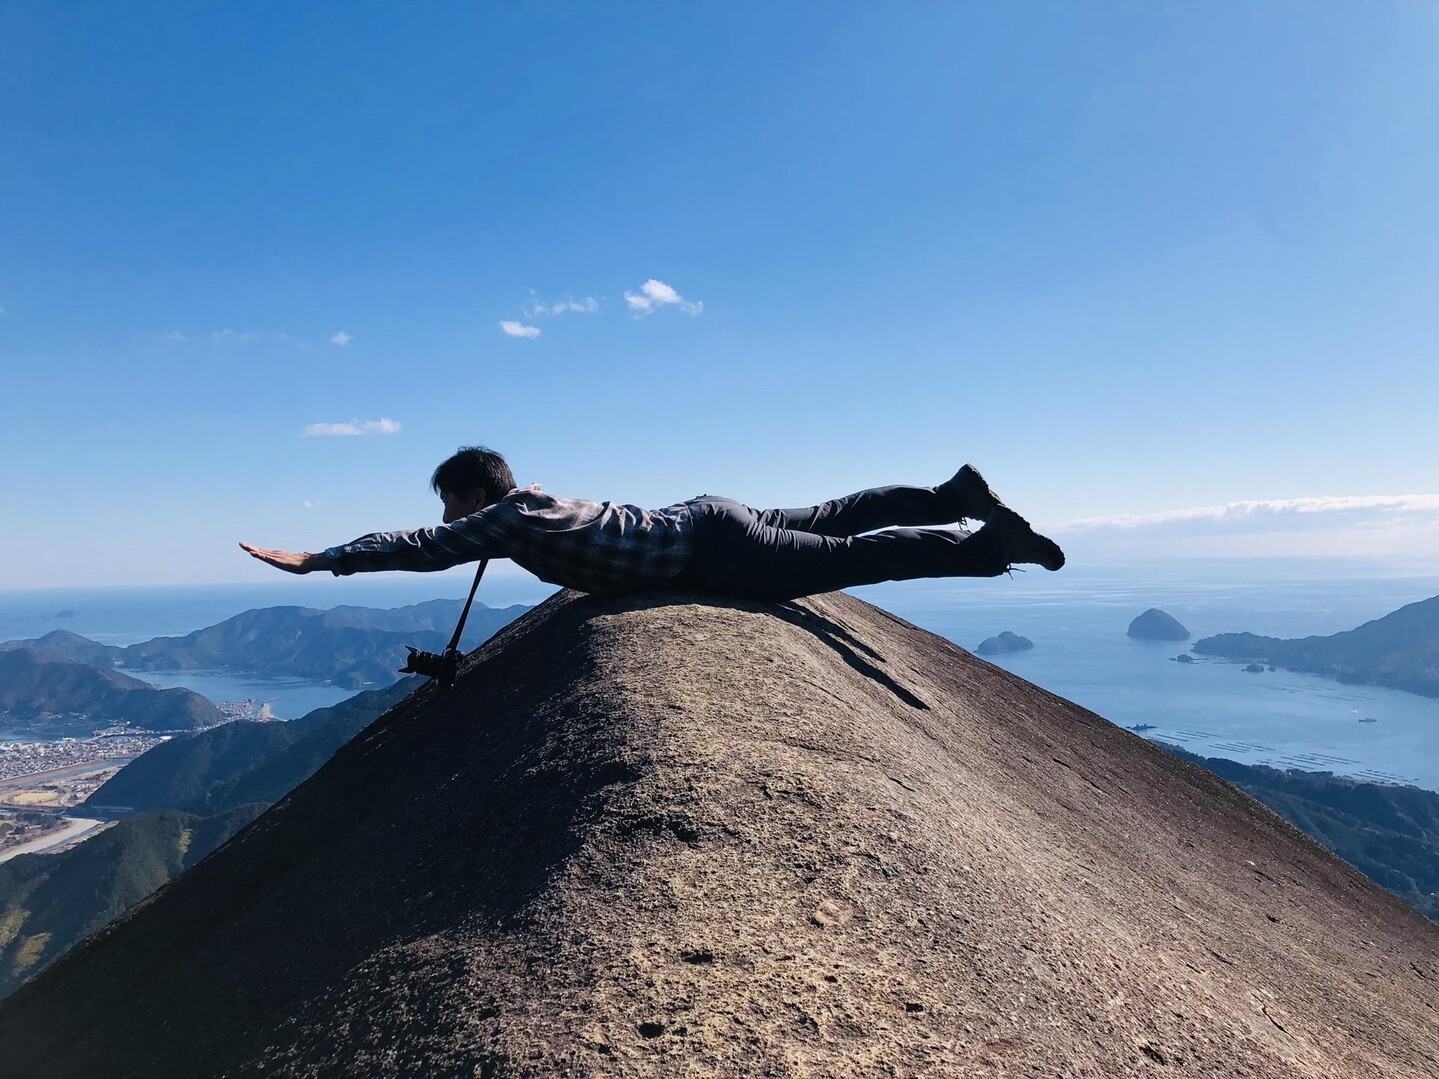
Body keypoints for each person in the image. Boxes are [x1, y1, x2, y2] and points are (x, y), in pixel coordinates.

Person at [240, 445, 1065, 603]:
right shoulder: (528, 507)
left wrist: (320, 559)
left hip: (710, 542)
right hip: (702, 516)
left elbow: (422, 551)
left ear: (468, 496)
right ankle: (951, 493)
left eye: (449, 501)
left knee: (848, 556)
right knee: (837, 514)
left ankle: (988, 543)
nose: (445, 517)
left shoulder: (507, 516)